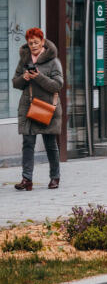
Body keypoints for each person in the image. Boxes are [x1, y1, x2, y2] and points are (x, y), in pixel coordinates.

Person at [12, 28, 64, 191]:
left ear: (42, 41)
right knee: (27, 143)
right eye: (30, 43)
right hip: (29, 107)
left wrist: (38, 77)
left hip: (46, 107)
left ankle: (55, 177)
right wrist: (24, 78)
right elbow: (15, 83)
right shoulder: (24, 60)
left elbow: (58, 85)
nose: (33, 45)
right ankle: (27, 180)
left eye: (36, 42)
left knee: (50, 144)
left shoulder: (53, 61)